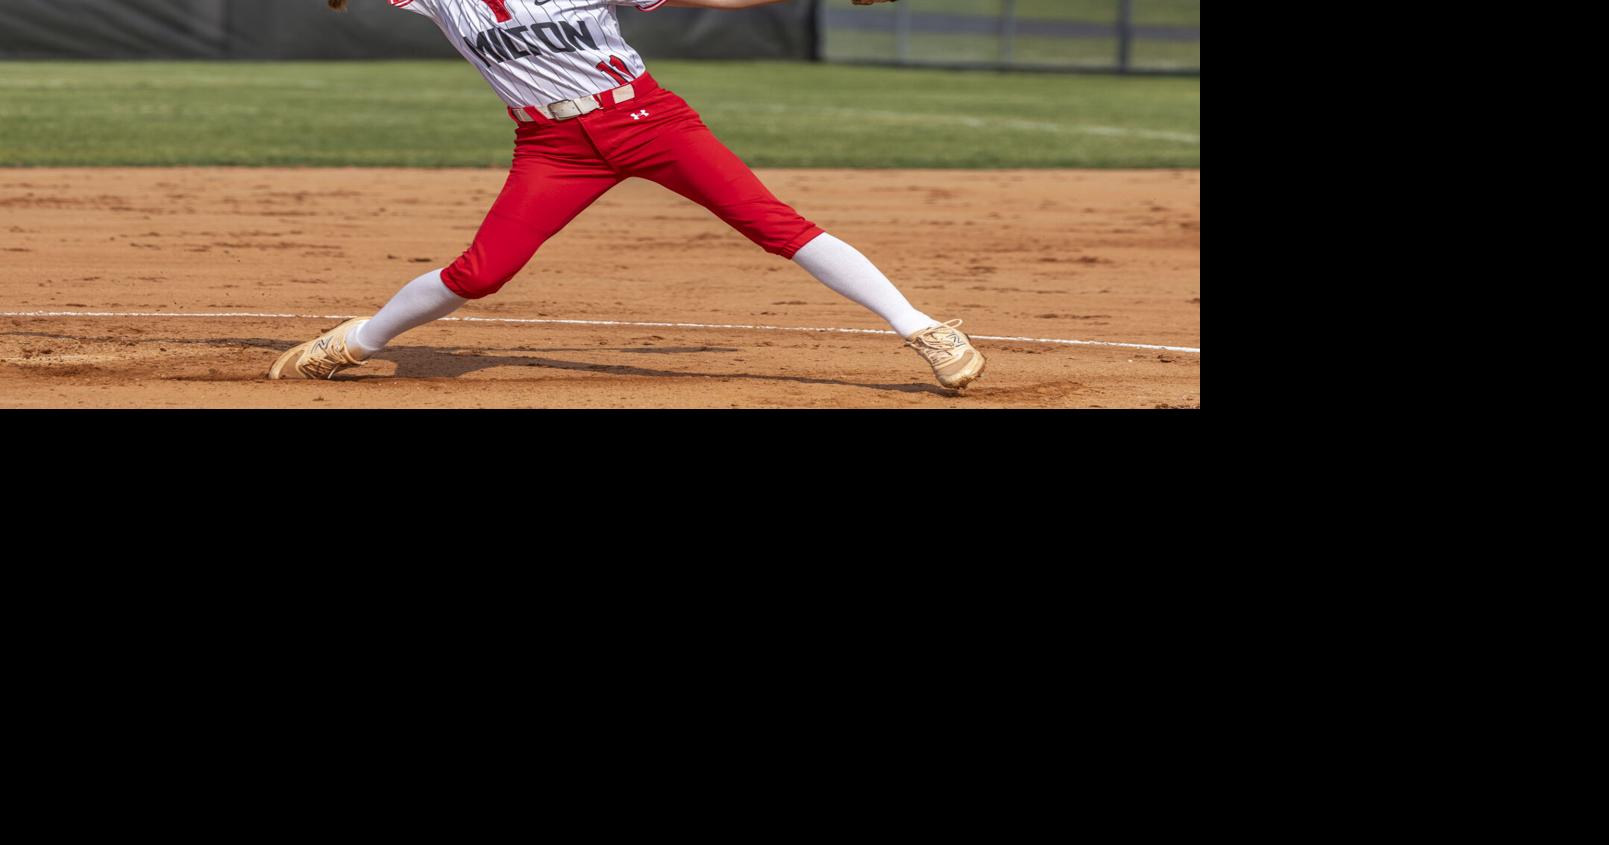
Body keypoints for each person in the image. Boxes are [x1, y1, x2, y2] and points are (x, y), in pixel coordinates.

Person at [270, 0, 985, 390]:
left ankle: (923, 328)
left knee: (777, 226)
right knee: (482, 273)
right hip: (549, 147)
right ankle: (353, 342)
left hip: (648, 121)